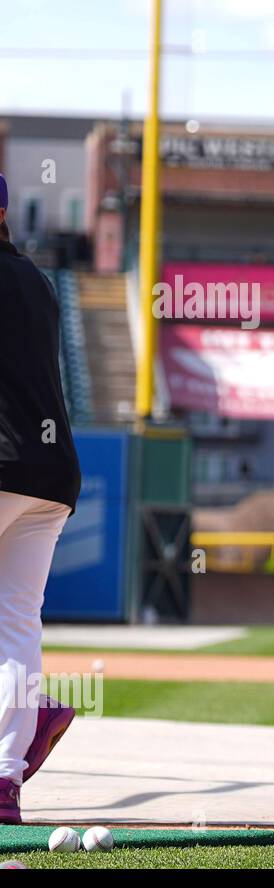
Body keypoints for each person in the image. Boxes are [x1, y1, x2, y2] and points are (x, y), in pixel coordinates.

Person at [0, 172, 82, 824]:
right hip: (51, 476)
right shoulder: (37, 282)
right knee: (17, 622)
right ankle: (4, 777)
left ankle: (35, 718)